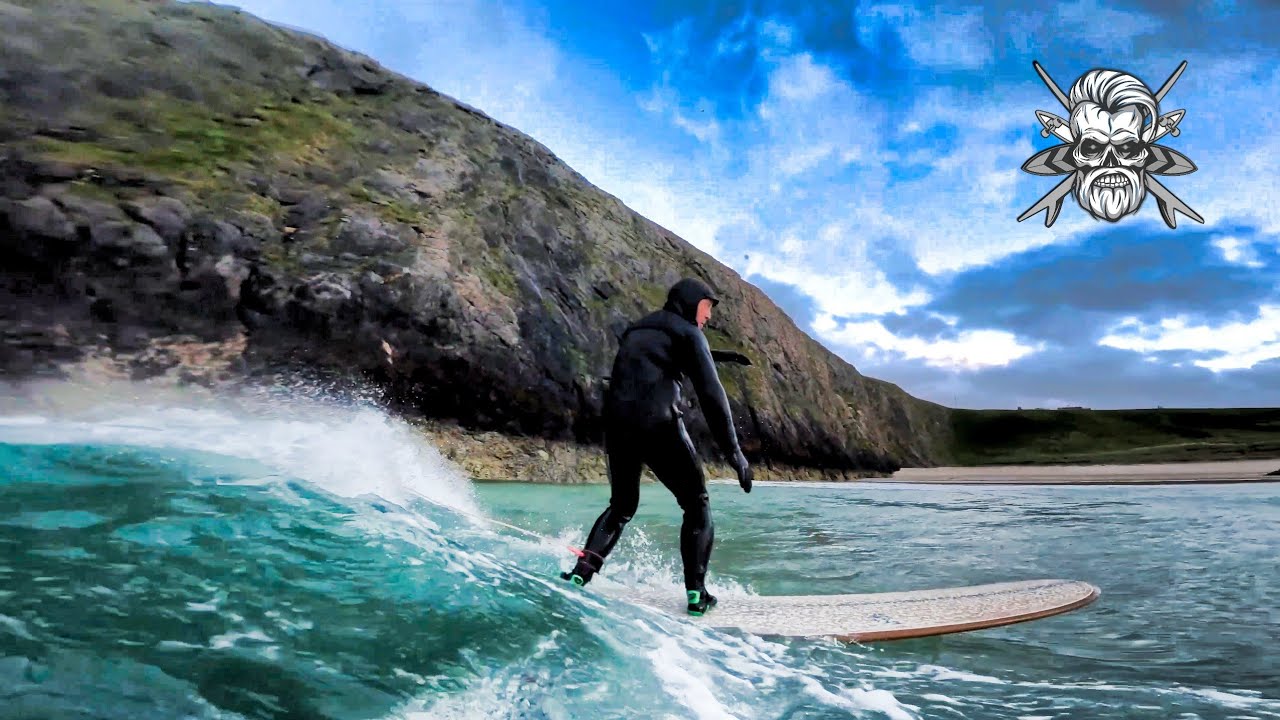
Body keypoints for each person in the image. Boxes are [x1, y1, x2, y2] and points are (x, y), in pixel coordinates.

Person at [561, 277, 753, 616]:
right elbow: (711, 395)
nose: (708, 317)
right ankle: (697, 594)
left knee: (620, 507)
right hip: (659, 424)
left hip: (618, 425)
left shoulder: (639, 330)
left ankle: (580, 574)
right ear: (692, 303)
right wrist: (735, 453)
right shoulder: (689, 334)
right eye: (707, 308)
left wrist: (718, 355)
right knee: (697, 505)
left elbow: (664, 353)